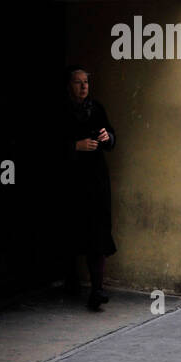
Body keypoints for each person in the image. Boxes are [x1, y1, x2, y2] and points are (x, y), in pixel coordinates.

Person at [62, 68, 117, 311]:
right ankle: (71, 283)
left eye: (86, 82)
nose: (84, 87)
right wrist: (76, 146)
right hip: (71, 183)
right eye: (78, 82)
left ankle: (97, 289)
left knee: (98, 235)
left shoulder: (97, 109)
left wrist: (107, 137)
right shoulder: (60, 111)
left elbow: (112, 138)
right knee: (72, 232)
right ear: (68, 85)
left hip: (96, 182)